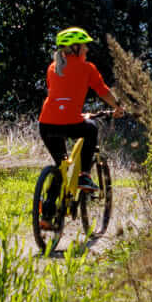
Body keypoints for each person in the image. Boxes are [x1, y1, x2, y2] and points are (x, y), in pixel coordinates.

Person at [36, 27, 128, 229]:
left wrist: (76, 114)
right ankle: (84, 175)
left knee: (61, 165)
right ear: (75, 48)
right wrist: (118, 106)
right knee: (91, 129)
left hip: (46, 123)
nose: (87, 49)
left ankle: (47, 215)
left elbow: (60, 95)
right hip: (71, 122)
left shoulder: (53, 67)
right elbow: (102, 91)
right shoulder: (87, 68)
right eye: (84, 45)